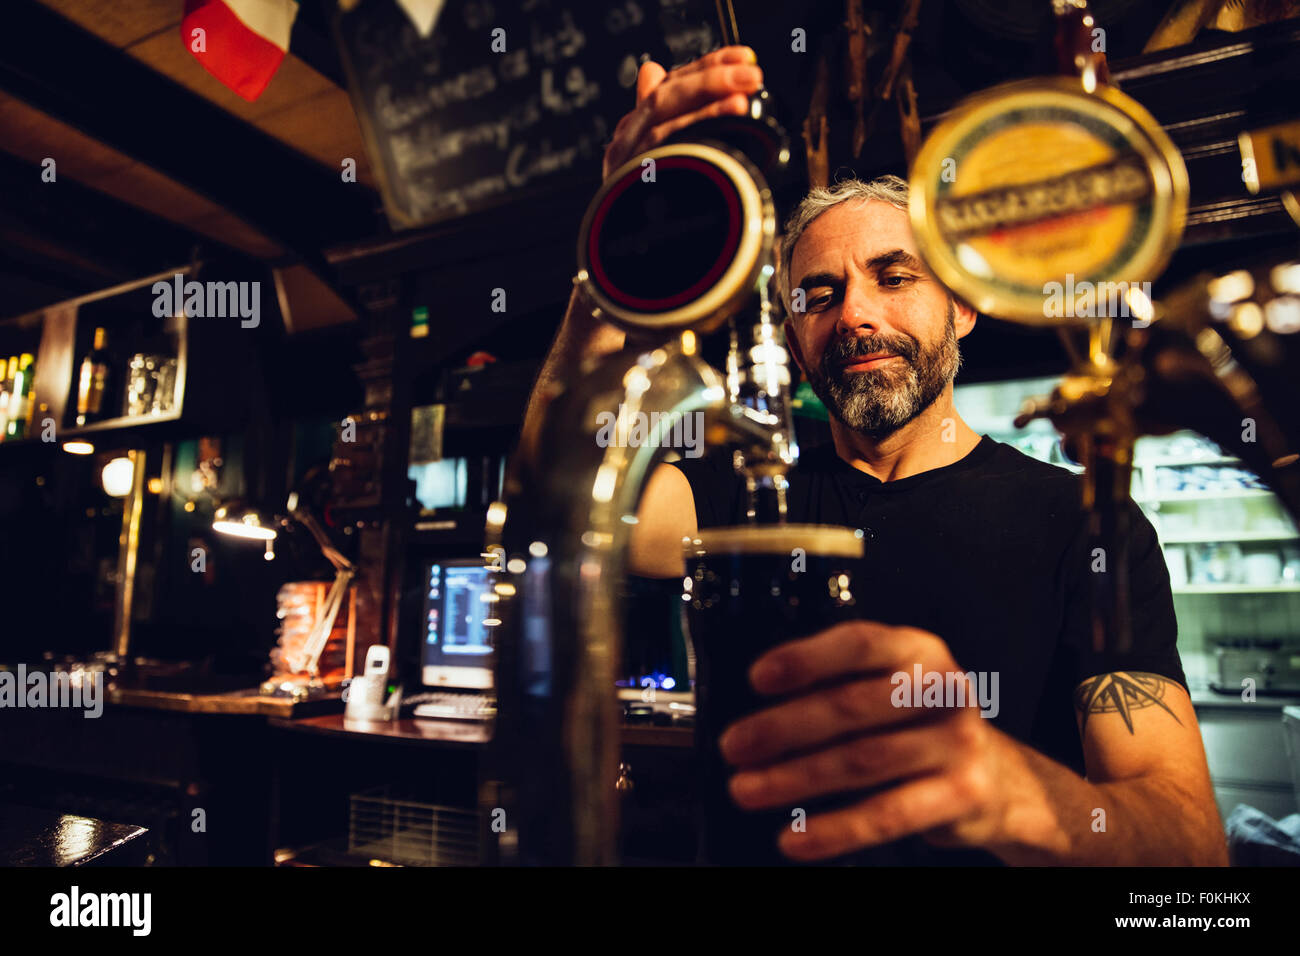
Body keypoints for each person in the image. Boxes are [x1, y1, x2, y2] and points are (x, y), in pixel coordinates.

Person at [521, 46, 1227, 865]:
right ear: (793, 334)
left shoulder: (1085, 526)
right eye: (817, 295)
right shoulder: (750, 503)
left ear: (962, 306)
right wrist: (617, 245)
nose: (854, 313)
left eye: (894, 276)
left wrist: (1010, 787)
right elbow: (557, 499)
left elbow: (1190, 850)